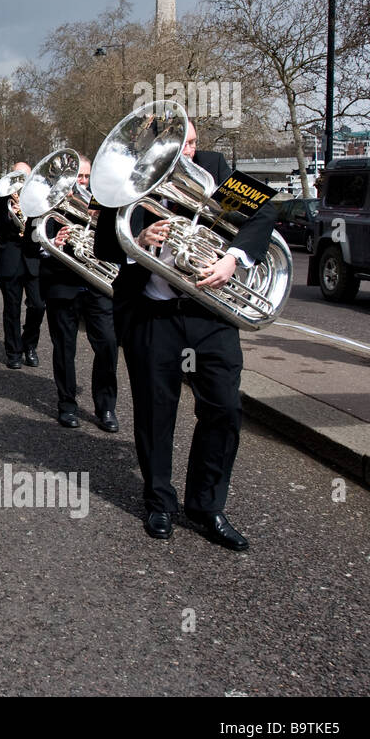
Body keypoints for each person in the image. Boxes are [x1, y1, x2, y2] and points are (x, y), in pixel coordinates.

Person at [95, 121, 276, 550]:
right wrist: (136, 237)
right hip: (153, 316)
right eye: (182, 146)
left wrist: (233, 258)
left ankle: (207, 506)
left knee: (224, 408)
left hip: (208, 314)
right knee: (156, 412)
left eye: (193, 143)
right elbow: (105, 245)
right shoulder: (128, 181)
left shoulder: (213, 169)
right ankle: (159, 502)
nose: (190, 153)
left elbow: (264, 212)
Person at [38, 155, 119, 431]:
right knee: (64, 349)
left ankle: (106, 406)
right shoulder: (51, 205)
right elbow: (36, 244)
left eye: (86, 177)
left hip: (97, 286)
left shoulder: (103, 203)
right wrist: (54, 243)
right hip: (63, 286)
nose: (82, 183)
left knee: (108, 345)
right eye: (78, 178)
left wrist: (101, 221)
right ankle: (67, 405)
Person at [0, 162, 44, 369]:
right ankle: (13, 351)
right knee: (11, 308)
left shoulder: (39, 196)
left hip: (32, 257)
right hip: (9, 258)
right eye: (18, 175)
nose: (22, 180)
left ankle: (29, 345)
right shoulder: (0, 197)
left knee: (38, 305)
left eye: (25, 176)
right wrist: (8, 214)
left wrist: (27, 215)